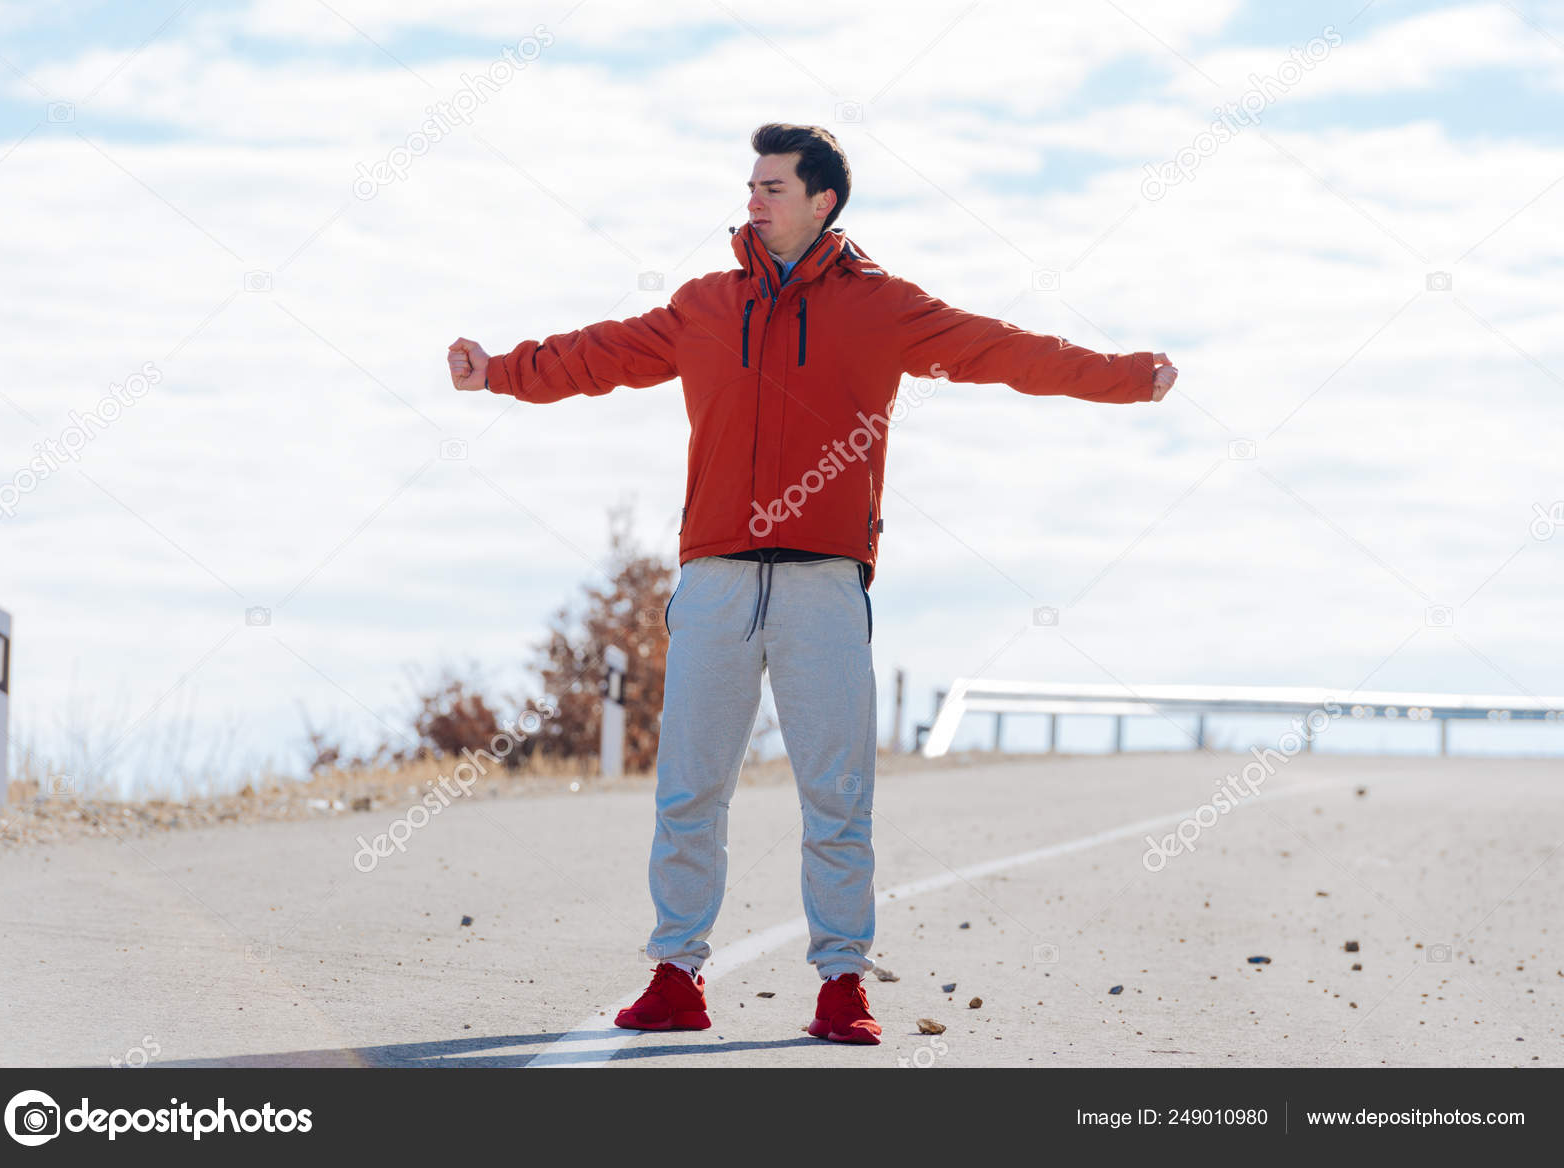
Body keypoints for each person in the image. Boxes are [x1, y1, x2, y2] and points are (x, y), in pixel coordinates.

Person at [448, 122, 1177, 1046]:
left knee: (837, 795)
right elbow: (602, 353)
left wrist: (1124, 377)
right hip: (714, 579)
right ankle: (676, 978)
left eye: (773, 186)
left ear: (823, 200)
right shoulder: (705, 303)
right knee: (689, 790)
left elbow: (1003, 350)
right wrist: (499, 373)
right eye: (751, 184)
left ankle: (841, 984)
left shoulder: (881, 308)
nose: (753, 198)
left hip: (825, 586)